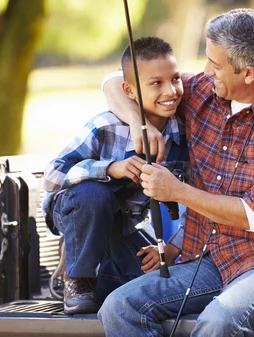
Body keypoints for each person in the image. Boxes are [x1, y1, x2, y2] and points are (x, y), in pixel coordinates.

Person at [99, 8, 254, 337]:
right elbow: (115, 81)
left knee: (218, 319)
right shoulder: (208, 91)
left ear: (248, 73)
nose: (205, 72)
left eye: (215, 64)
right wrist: (136, 122)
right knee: (119, 308)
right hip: (216, 257)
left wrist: (179, 191)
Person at [43, 37, 187, 315]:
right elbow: (51, 176)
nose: (170, 90)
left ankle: (99, 272)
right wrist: (108, 169)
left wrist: (173, 247)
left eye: (176, 79)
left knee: (146, 288)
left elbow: (197, 196)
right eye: (156, 83)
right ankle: (77, 278)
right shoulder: (105, 125)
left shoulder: (183, 134)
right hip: (77, 208)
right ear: (129, 91)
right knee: (95, 194)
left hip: (125, 224)